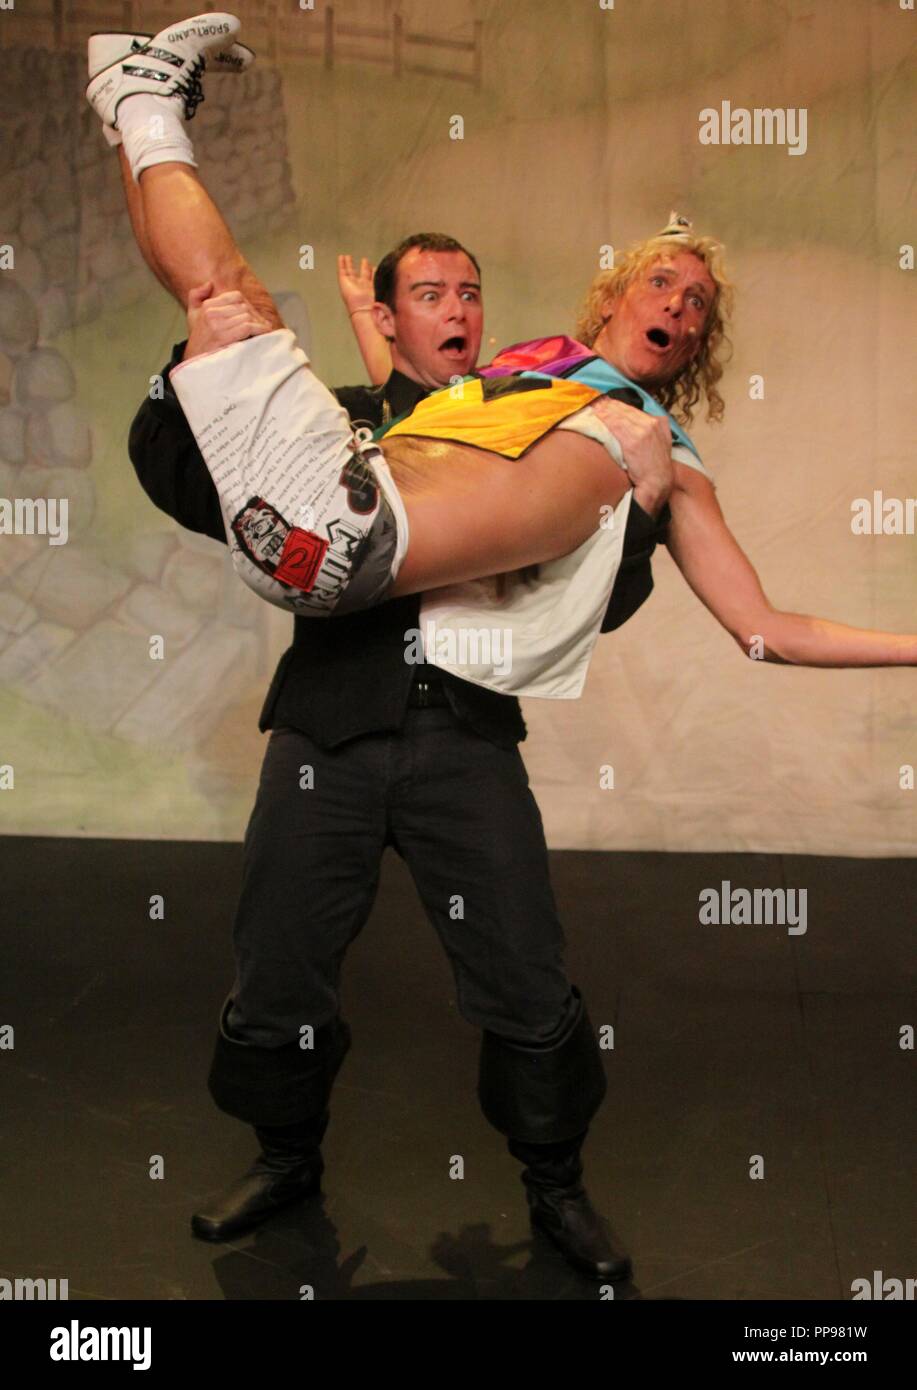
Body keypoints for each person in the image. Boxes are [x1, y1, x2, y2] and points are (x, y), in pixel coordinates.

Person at [105, 15, 679, 1282]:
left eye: (470, 291)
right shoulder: (342, 426)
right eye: (431, 292)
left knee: (527, 978)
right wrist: (197, 363)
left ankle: (554, 1185)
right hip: (326, 733)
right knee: (278, 971)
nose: (457, 307)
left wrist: (632, 526)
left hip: (465, 740)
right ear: (392, 320)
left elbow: (601, 597)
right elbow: (184, 474)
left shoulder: (524, 432)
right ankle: (285, 1162)